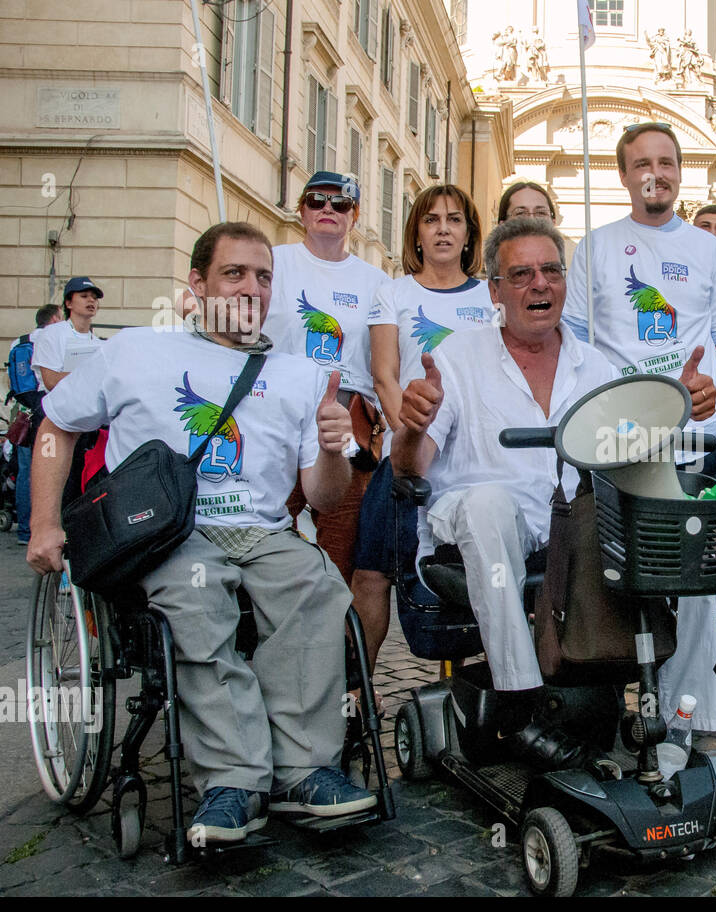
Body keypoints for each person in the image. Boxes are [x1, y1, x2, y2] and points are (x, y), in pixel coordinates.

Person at [27, 221, 376, 843]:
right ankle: (234, 781)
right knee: (196, 599)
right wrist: (45, 523)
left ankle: (303, 770)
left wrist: (330, 450)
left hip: (265, 533)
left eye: (264, 276)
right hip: (171, 534)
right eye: (234, 273)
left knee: (319, 587)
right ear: (197, 283)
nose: (252, 288)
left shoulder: (299, 375)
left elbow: (323, 499)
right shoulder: (136, 351)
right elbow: (55, 424)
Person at [390, 217, 716, 767]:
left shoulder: (600, 369)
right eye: (520, 274)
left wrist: (676, 409)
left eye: (550, 271)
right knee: (488, 502)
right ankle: (520, 706)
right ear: (494, 290)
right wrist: (414, 426)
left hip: (573, 531)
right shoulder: (454, 359)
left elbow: (632, 458)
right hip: (482, 527)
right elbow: (410, 467)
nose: (539, 284)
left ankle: (682, 726)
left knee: (686, 544)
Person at [564, 121, 716, 732]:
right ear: (623, 175)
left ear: (679, 171)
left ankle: (690, 712)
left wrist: (715, 409)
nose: (656, 173)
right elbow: (578, 344)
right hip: (619, 439)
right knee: (618, 569)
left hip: (688, 438)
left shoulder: (708, 249)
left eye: (667, 162)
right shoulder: (595, 247)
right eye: (642, 163)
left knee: (690, 577)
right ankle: (611, 704)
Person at [355, 185, 493, 673]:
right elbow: (384, 376)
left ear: (469, 232)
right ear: (416, 230)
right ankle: (357, 695)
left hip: (473, 460)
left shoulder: (490, 295)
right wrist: (409, 439)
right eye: (431, 220)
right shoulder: (393, 293)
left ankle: (470, 694)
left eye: (454, 220)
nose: (443, 229)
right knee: (371, 575)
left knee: (461, 575)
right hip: (408, 460)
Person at [260, 171, 389, 585]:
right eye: (317, 201)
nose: (328, 209)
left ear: (354, 216)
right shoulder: (271, 263)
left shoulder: (376, 282)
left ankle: (338, 642)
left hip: (347, 418)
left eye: (341, 203)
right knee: (267, 526)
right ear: (302, 211)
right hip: (276, 414)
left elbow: (386, 361)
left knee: (342, 545)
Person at [7, 304, 60, 544]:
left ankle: (25, 532)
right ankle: (50, 527)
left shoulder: (18, 342)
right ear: (55, 318)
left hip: (25, 413)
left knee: (27, 472)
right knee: (54, 468)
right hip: (49, 411)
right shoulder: (55, 340)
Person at [33, 277, 105, 390]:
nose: (91, 300)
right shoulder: (51, 334)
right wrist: (90, 374)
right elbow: (51, 381)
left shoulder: (97, 342)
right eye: (84, 296)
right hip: (55, 405)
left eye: (95, 298)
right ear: (69, 303)